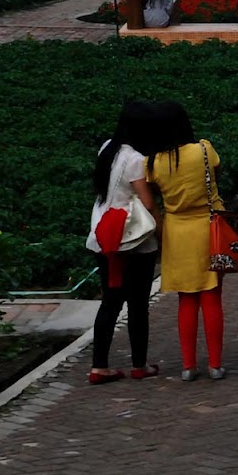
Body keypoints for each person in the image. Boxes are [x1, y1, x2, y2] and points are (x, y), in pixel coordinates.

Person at [145, 102, 227, 382]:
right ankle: (215, 364)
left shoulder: (154, 162)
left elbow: (152, 193)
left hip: (177, 231)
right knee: (212, 296)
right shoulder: (203, 149)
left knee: (186, 298)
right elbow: (217, 172)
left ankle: (188, 366)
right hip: (209, 227)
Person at [85, 101, 162, 384]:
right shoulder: (135, 160)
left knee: (111, 301)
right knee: (138, 304)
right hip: (133, 240)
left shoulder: (107, 148)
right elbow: (148, 202)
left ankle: (99, 366)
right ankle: (139, 364)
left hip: (104, 237)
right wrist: (162, 233)